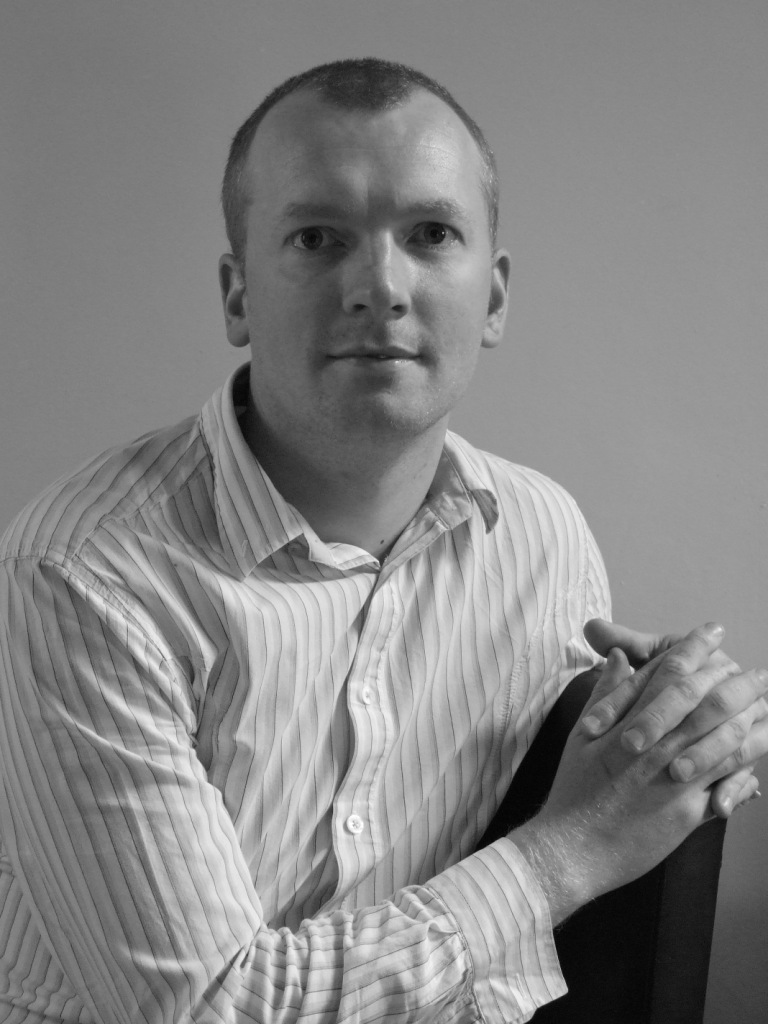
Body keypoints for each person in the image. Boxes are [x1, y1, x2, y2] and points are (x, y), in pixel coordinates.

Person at [0, 58, 765, 1024]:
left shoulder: (542, 539)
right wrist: (568, 853)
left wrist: (680, 725)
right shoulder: (80, 575)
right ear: (238, 297)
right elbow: (207, 1010)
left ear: (493, 298)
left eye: (431, 234)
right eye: (317, 238)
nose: (379, 286)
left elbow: (524, 921)